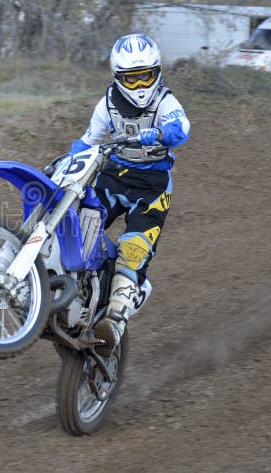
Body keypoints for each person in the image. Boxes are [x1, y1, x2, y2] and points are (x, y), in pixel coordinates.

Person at [69, 33, 190, 348]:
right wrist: (67, 161)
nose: (139, 86)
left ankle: (115, 319)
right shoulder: (107, 104)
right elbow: (88, 141)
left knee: (133, 249)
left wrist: (160, 133)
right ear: (118, 77)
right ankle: (71, 285)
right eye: (131, 79)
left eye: (144, 77)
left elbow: (182, 128)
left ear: (156, 73)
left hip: (152, 187)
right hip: (114, 176)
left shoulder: (165, 101)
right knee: (80, 225)